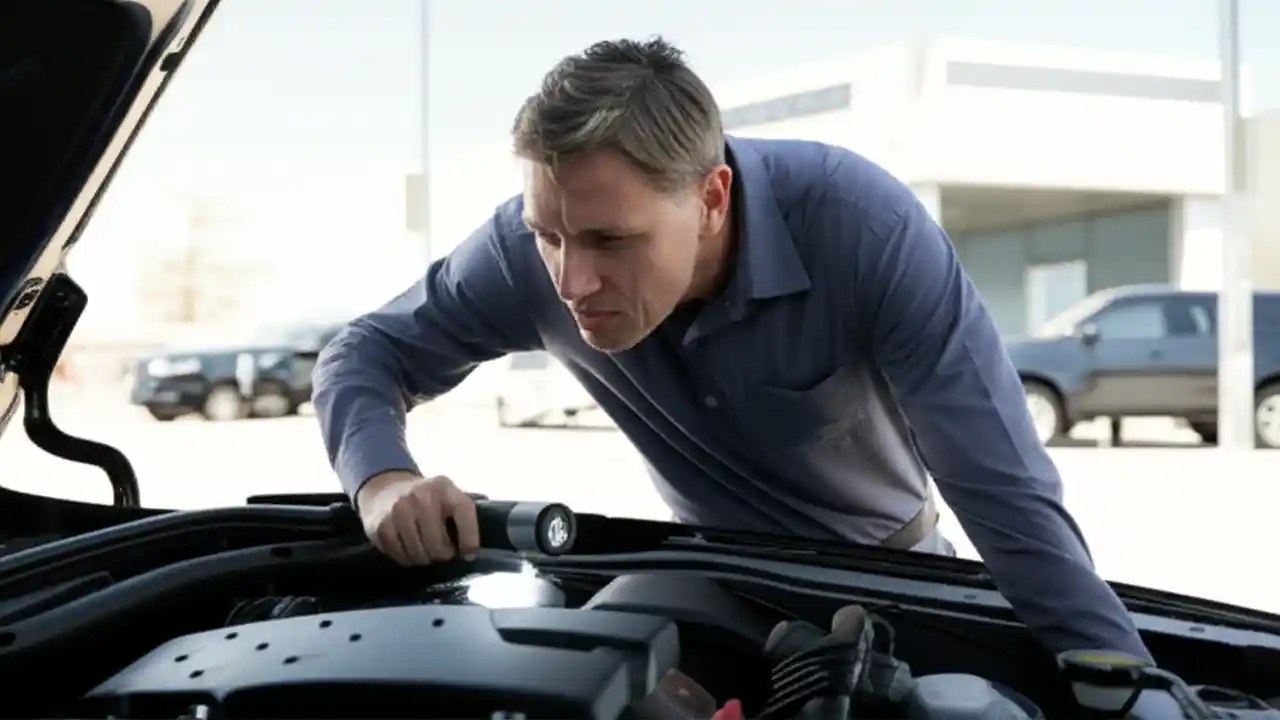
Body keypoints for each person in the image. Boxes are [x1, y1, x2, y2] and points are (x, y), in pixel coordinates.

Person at [311, 36, 1151, 662]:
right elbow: (363, 353)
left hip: (891, 583)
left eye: (611, 241)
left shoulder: (864, 232)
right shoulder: (526, 252)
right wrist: (382, 479)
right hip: (708, 587)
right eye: (549, 236)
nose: (570, 281)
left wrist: (1120, 677)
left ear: (712, 198)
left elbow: (1007, 495)